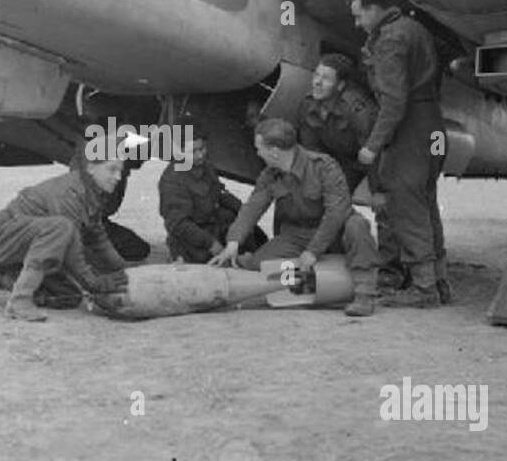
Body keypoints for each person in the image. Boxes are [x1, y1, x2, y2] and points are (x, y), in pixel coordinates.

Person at [209, 117, 380, 317]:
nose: (257, 152)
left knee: (358, 226)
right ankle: (316, 283)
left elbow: (336, 214)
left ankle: (364, 293)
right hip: (298, 234)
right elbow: (252, 207)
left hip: (335, 231)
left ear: (273, 152)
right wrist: (233, 242)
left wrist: (313, 252)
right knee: (260, 265)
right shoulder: (270, 175)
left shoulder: (324, 167)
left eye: (259, 148)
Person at [347, 0, 449, 308]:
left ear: (375, 9)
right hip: (432, 125)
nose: (357, 23)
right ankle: (439, 282)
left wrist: (372, 146)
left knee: (406, 205)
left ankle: (424, 290)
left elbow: (393, 102)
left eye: (359, 15)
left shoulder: (390, 40)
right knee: (426, 203)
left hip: (411, 130)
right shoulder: (413, 28)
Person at [0, 158, 130, 321]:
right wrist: (94, 283)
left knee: (69, 296)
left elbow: (98, 236)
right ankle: (19, 301)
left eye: (120, 171)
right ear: (91, 168)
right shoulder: (70, 193)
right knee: (61, 227)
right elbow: (73, 251)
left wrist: (122, 268)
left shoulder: (93, 193)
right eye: (112, 170)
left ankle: (0, 277)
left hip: (21, 242)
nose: (118, 177)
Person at [158, 123, 264, 263]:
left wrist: (245, 214)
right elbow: (178, 224)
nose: (201, 154)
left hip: (214, 226)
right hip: (193, 241)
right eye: (194, 151)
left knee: (258, 240)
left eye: (203, 148)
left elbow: (220, 194)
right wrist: (211, 244)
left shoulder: (205, 166)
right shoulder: (172, 181)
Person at [295, 53, 379, 195]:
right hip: (340, 161)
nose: (317, 82)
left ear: (340, 85)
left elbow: (377, 154)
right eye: (316, 75)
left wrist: (378, 192)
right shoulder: (307, 106)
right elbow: (312, 150)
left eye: (326, 78)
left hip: (376, 161)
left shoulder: (356, 111)